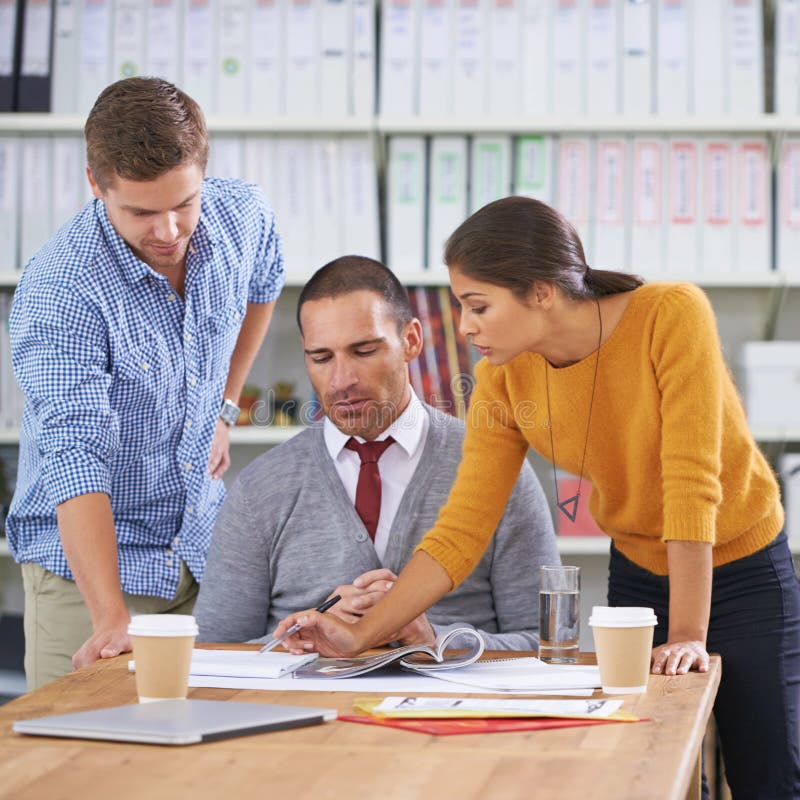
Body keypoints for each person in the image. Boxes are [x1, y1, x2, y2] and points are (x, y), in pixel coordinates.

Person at [275, 198, 800, 797]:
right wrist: (356, 638)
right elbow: (461, 531)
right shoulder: (501, 376)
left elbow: (690, 483)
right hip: (638, 575)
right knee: (654, 768)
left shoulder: (671, 315)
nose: (465, 327)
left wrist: (687, 633)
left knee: (769, 776)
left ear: (543, 292)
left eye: (478, 306)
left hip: (741, 566)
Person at [7, 77, 284, 689]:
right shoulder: (61, 290)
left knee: (205, 766)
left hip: (204, 555)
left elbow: (265, 283)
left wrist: (224, 407)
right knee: (82, 771)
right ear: (95, 183)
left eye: (183, 203)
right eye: (139, 211)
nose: (167, 231)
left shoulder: (243, 215)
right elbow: (75, 460)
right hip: (93, 580)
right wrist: (110, 620)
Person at [194, 255, 559, 649]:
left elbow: (552, 642)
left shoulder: (495, 468)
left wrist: (437, 641)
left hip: (446, 709)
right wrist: (303, 636)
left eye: (364, 351)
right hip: (307, 707)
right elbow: (213, 653)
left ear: (411, 341)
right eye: (321, 358)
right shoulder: (260, 488)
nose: (341, 381)